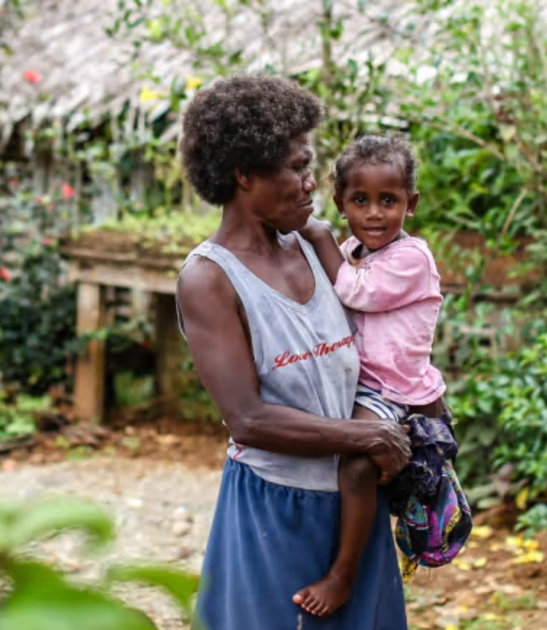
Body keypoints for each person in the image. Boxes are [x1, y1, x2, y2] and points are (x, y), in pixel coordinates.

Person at [174, 75, 411, 630]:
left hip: (355, 507)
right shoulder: (210, 279)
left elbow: (387, 336)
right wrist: (369, 437)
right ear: (244, 175)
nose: (312, 184)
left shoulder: (317, 243)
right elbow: (248, 419)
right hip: (275, 509)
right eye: (299, 168)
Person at [293, 135, 471, 617]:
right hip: (361, 382)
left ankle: (343, 574)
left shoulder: (412, 258)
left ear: (410, 204)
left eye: (388, 201)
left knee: (354, 466)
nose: (374, 213)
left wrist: (320, 236)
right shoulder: (354, 247)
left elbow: (356, 292)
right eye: (360, 201)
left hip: (393, 388)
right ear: (342, 203)